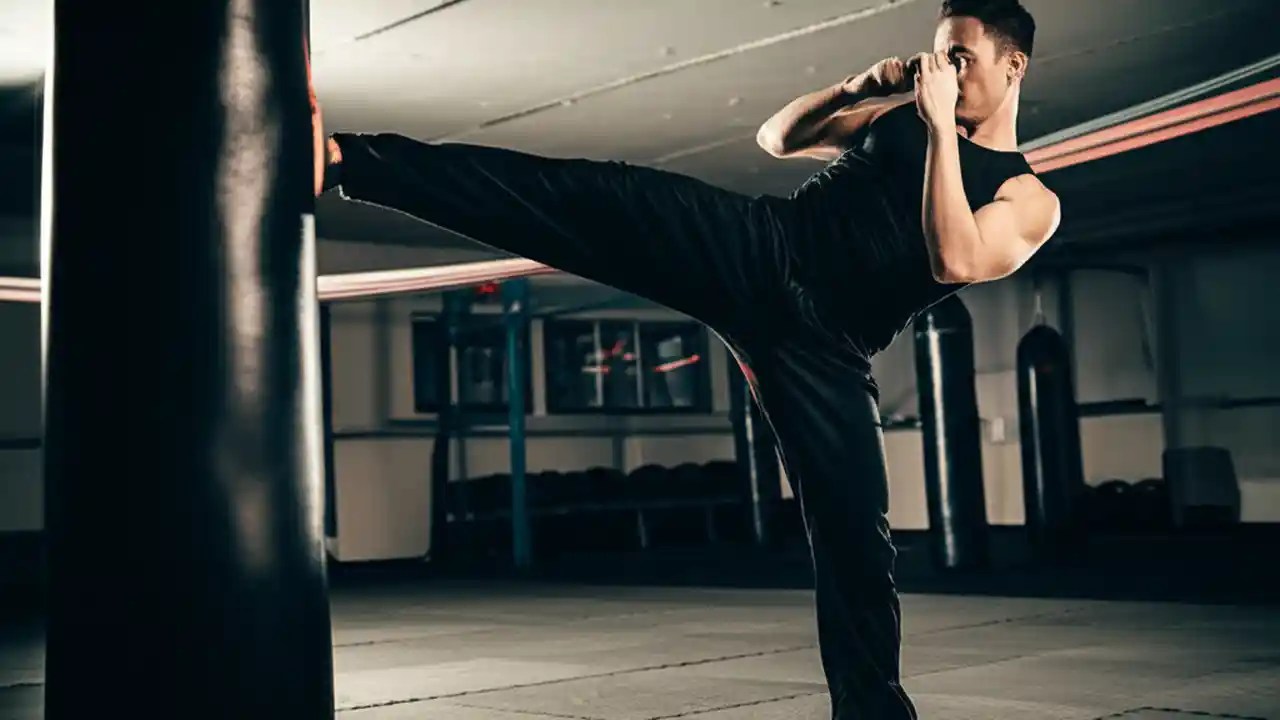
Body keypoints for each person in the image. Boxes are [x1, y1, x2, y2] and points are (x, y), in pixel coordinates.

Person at [311, 0, 1059, 716]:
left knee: (856, 548)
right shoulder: (899, 123)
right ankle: (351, 161)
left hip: (827, 349)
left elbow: (954, 256)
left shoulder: (1028, 199)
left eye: (962, 57)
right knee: (592, 195)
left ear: (1013, 65)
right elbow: (778, 139)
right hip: (761, 247)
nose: (944, 71)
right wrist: (859, 87)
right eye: (940, 54)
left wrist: (940, 131)